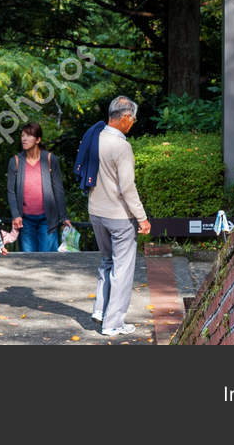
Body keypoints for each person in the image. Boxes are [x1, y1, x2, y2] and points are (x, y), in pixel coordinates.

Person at [87, 95, 150, 338]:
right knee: (122, 270)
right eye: (132, 119)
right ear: (124, 117)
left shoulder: (95, 137)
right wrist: (142, 217)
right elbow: (127, 187)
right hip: (119, 216)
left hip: (96, 212)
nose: (133, 123)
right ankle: (113, 323)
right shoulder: (121, 146)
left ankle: (101, 311)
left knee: (107, 262)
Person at [7, 121, 69, 252]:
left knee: (48, 260)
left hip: (48, 220)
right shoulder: (16, 161)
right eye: (22, 135)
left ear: (38, 139)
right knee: (29, 261)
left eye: (29, 135)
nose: (24, 139)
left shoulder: (50, 159)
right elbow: (11, 191)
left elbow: (58, 190)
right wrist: (15, 215)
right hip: (25, 221)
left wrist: (64, 217)